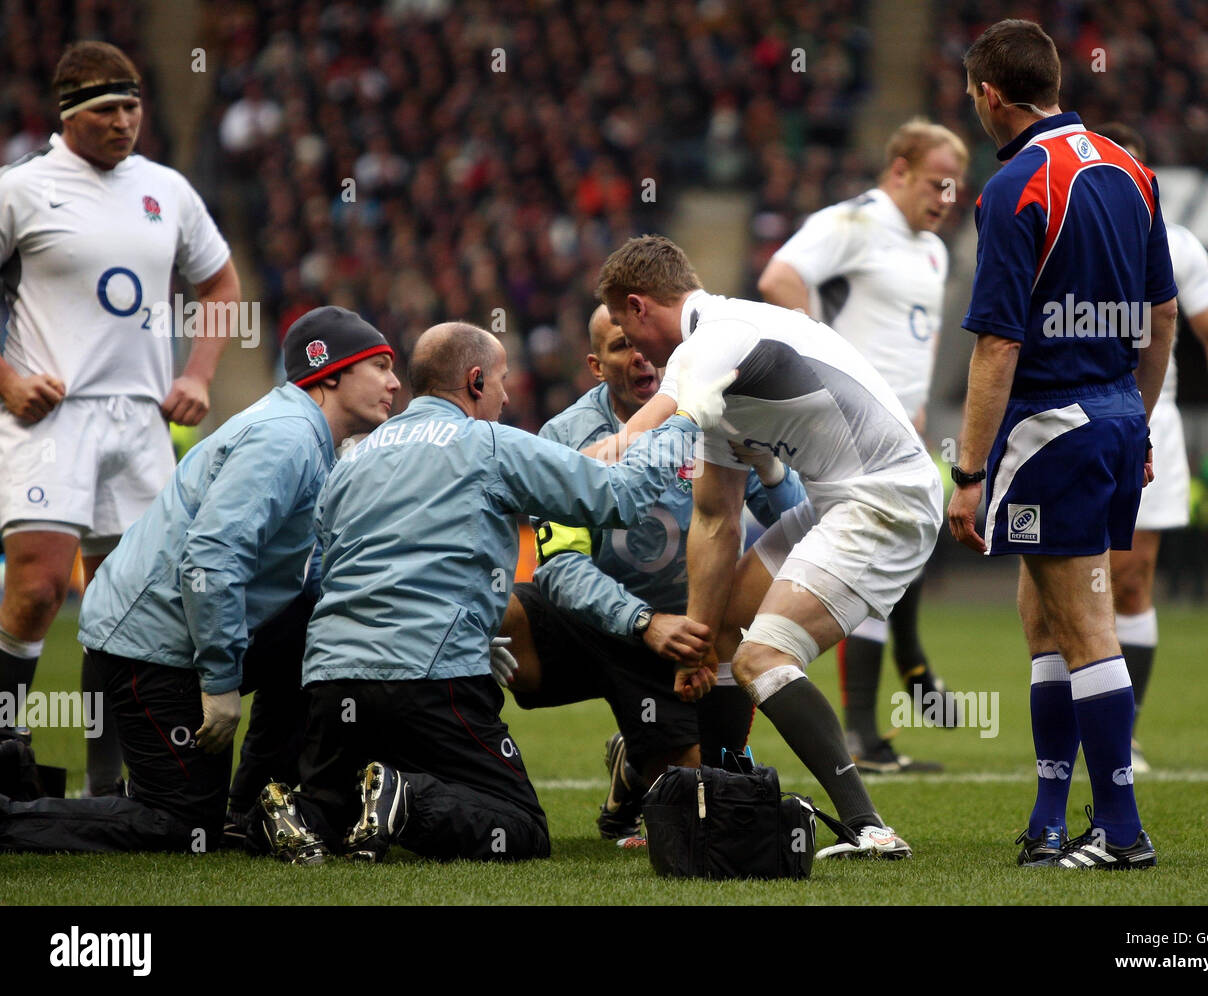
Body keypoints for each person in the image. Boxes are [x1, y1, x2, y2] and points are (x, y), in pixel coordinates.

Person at [275, 321, 706, 863]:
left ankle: (304, 809)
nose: (506, 395)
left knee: (336, 822)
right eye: (502, 380)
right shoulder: (488, 443)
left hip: (330, 681)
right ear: (476, 381)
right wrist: (685, 419)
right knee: (520, 829)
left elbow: (325, 569)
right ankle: (402, 796)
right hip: (429, 675)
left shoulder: (353, 459)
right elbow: (620, 498)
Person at [0, 307, 399, 853]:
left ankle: (252, 801)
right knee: (180, 826)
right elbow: (212, 557)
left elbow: (309, 585)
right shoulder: (286, 438)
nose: (394, 382)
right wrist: (220, 682)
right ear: (328, 372)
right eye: (379, 366)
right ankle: (9, 813)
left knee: (320, 622)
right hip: (149, 648)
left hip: (173, 631)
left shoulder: (308, 436)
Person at [599, 235, 943, 859]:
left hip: (886, 500)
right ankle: (722, 806)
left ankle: (871, 829)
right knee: (728, 630)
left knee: (762, 658)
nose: (636, 350)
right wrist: (697, 647)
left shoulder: (721, 334)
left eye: (625, 328)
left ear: (639, 305)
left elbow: (657, 418)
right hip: (842, 499)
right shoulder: (720, 376)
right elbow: (714, 521)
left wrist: (597, 455)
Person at [946, 20, 1177, 869]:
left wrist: (968, 473)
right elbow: (1161, 318)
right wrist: (1139, 418)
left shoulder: (1016, 186)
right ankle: (1049, 816)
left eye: (973, 94)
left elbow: (998, 345)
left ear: (990, 95)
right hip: (1112, 410)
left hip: (1052, 425)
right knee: (1042, 615)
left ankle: (1121, 833)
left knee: (1082, 623)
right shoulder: (1131, 169)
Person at [0, 41, 241, 796]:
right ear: (68, 112)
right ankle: (5, 747)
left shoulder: (166, 189)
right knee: (38, 588)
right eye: (107, 108)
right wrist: (6, 380)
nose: (125, 121)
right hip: (52, 416)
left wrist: (198, 373)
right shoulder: (22, 189)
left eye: (134, 105)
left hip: (139, 423)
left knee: (129, 609)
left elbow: (221, 282)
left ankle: (111, 784)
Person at [501, 304, 805, 844]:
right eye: (622, 346)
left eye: (648, 343)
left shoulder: (716, 414)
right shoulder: (566, 434)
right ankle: (467, 778)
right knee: (496, 616)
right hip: (601, 628)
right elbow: (560, 566)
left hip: (693, 635)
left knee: (701, 802)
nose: (642, 356)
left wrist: (771, 468)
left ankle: (638, 762)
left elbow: (799, 519)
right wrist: (641, 621)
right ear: (597, 365)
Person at [759, 118, 969, 772]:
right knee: (877, 545)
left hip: (901, 426)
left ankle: (878, 715)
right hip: (854, 427)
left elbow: (916, 341)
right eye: (937, 183)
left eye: (956, 189)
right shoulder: (854, 222)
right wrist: (827, 362)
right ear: (899, 170)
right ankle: (872, 720)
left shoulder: (934, 251)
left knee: (897, 546)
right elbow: (779, 279)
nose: (946, 198)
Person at [1094, 122, 1208, 773]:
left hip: (1153, 423)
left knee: (1130, 582)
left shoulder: (1177, 246)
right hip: (1071, 420)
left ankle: (1119, 736)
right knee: (1074, 586)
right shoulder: (1075, 238)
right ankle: (1074, 729)